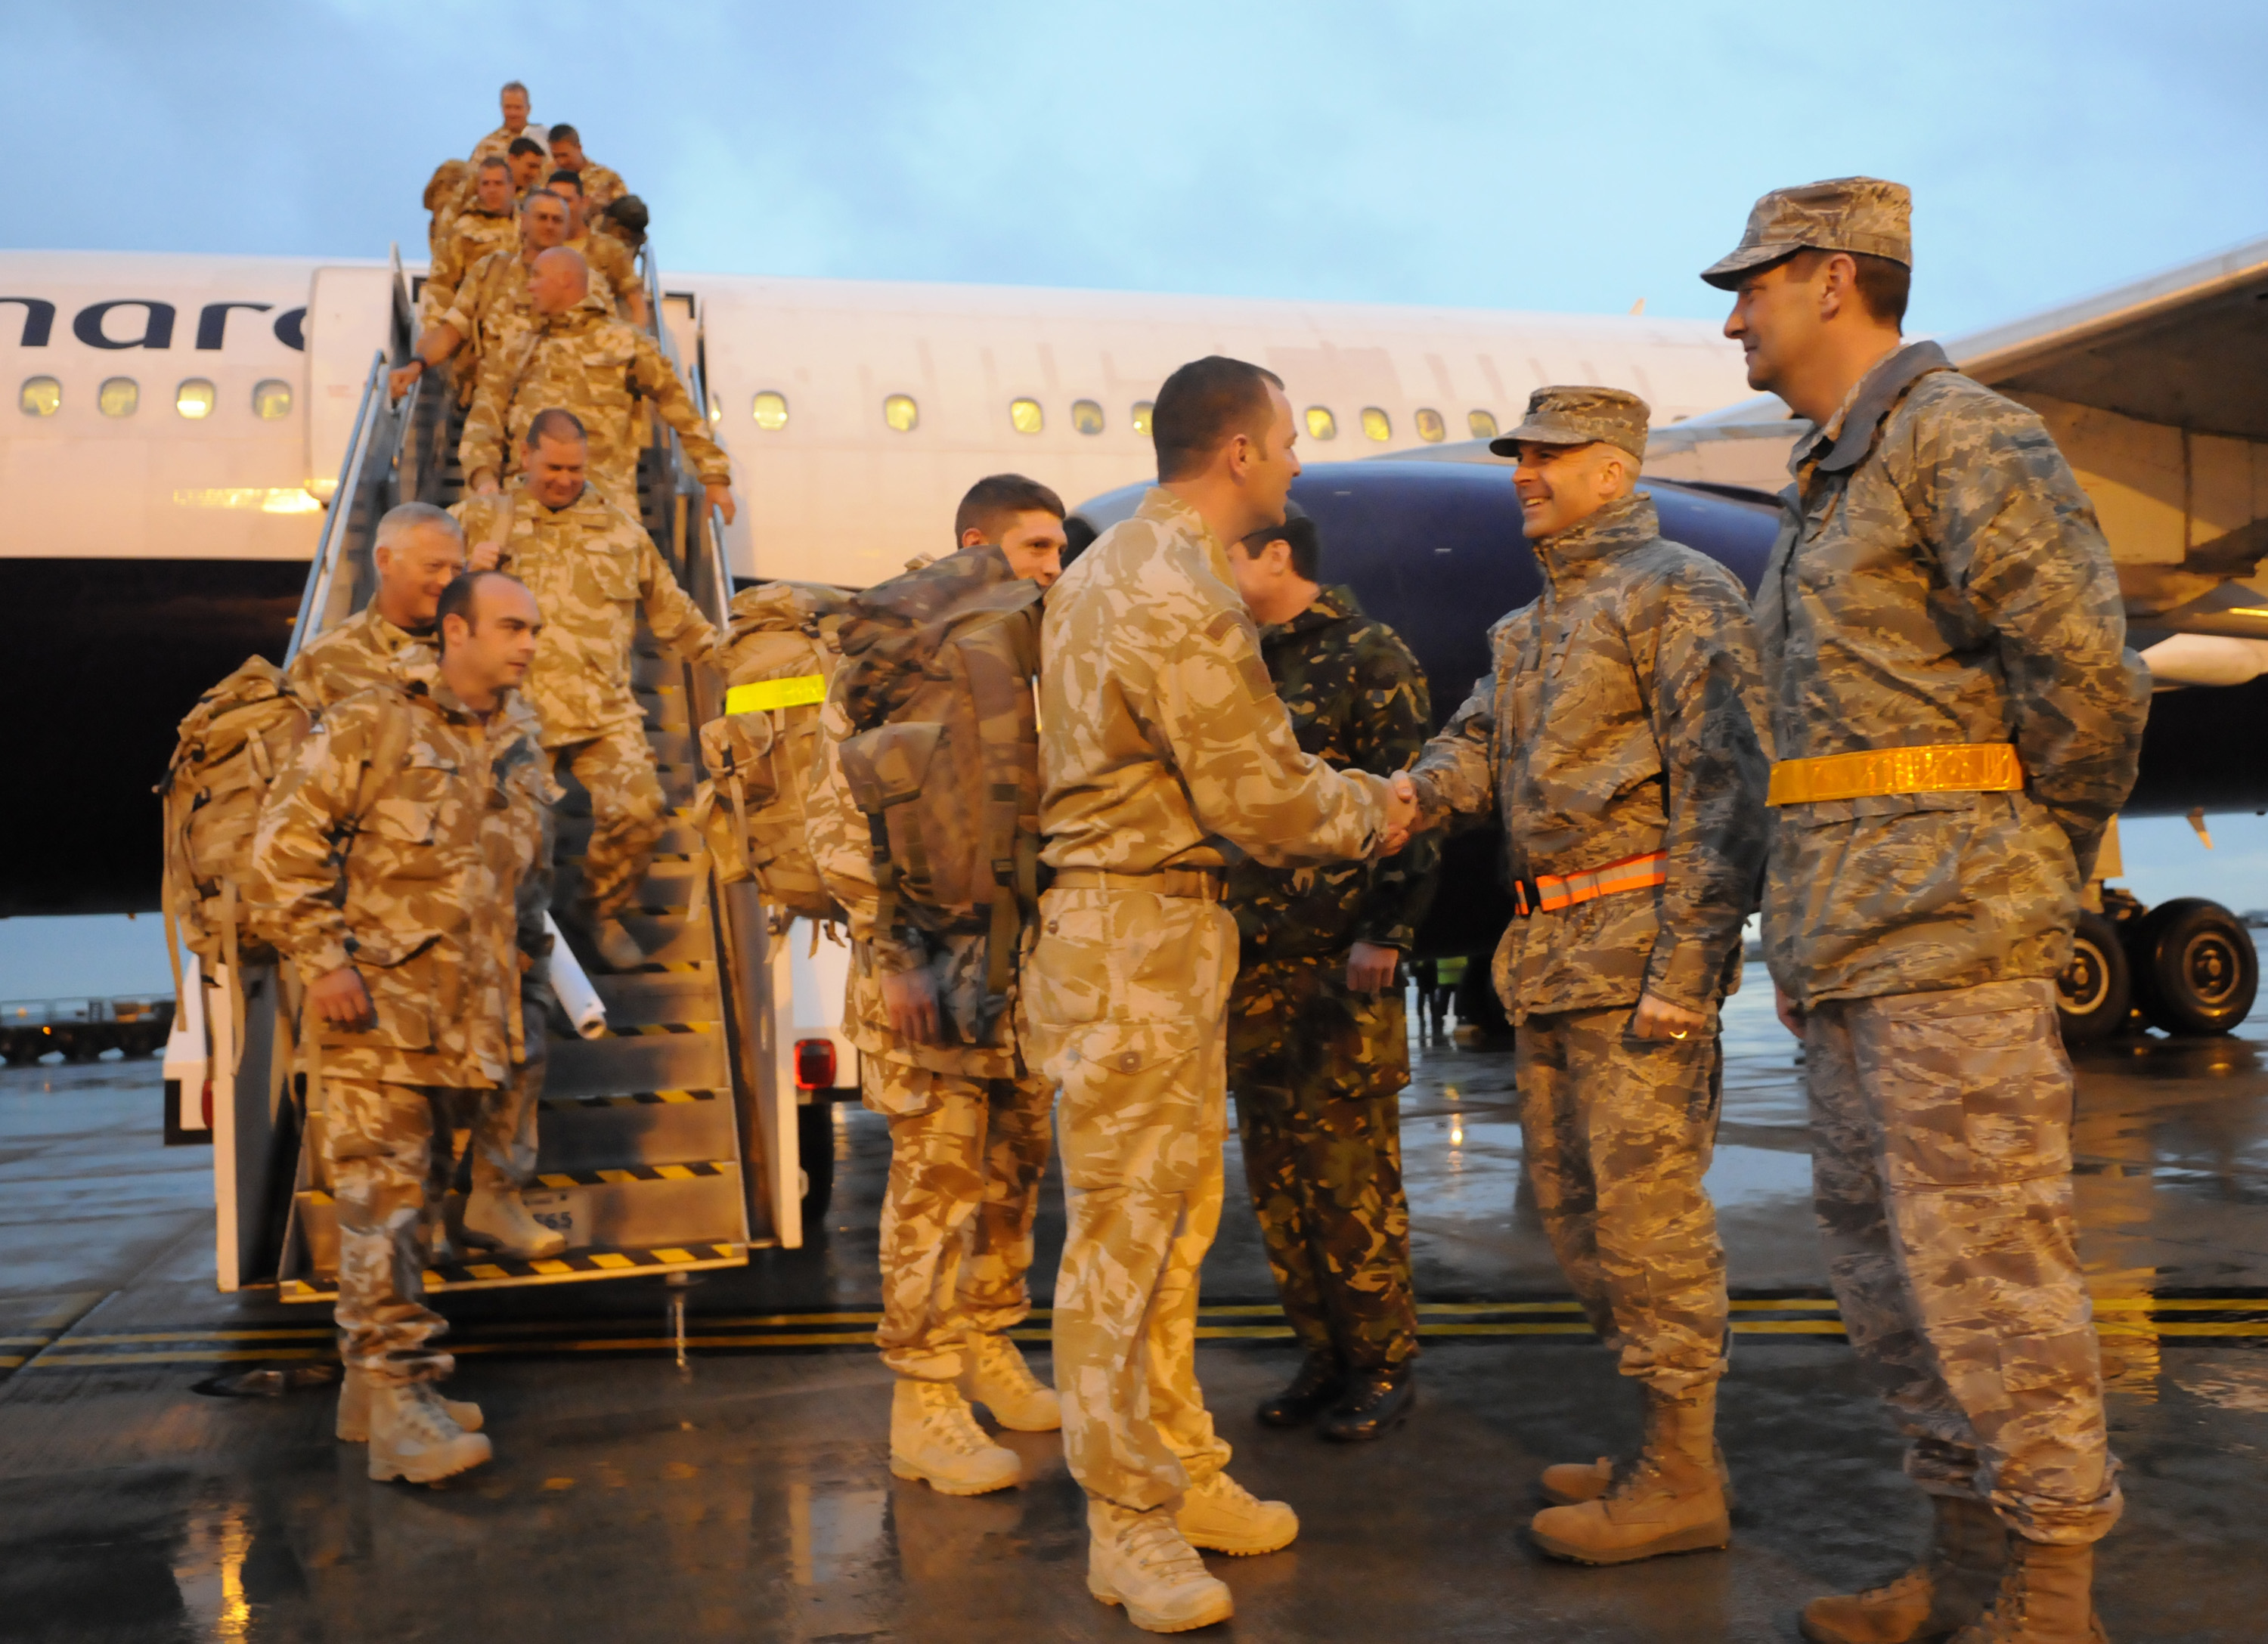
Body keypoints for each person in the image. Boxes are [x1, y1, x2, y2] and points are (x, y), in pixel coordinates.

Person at [1699, 178, 2149, 1642]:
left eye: (1754, 285)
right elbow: (1813, 742)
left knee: (1996, 1283)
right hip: (1846, 951)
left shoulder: (1963, 436)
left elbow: (2088, 681)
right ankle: (1962, 1568)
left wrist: (2027, 863)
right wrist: (1799, 925)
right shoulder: (1827, 475)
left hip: (1954, 942)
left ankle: (2054, 1594)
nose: (1734, 317)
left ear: (1834, 278)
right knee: (1894, 1290)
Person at [1027, 354, 1414, 1634]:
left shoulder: (1102, 571)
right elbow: (1262, 797)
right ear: (1239, 451)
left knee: (1173, 1227)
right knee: (1123, 1245)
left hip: (1144, 931)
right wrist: (1380, 805)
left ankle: (1180, 1462)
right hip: (1137, 935)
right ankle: (1126, 1520)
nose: (1297, 461)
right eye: (1287, 439)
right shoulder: (1176, 589)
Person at [1396, 385, 1770, 1566]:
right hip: (1551, 962)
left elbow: (1729, 781)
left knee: (1652, 1229)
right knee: (1579, 1222)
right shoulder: (1530, 626)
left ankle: (1682, 1476)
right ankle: (1663, 1446)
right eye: (1519, 454)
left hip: (1636, 958)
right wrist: (1394, 798)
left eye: (1549, 455)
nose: (1524, 472)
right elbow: (1470, 753)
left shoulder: (1681, 592)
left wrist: (1691, 966)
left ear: (1615, 470)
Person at [248, 569, 550, 1485]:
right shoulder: (373, 721)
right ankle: (402, 1412)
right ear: (456, 631)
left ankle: (369, 1392)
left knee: (410, 1219)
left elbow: (523, 879)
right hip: (379, 1020)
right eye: (512, 627)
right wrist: (325, 960)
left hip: (468, 1023)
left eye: (534, 630)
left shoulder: (519, 739)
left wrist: (526, 968)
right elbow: (280, 853)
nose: (530, 644)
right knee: (384, 1218)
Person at [803, 474, 1070, 1498]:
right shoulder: (897, 650)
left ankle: (987, 1340)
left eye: (1059, 550)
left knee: (1015, 1167)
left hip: (1018, 970)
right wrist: (896, 956)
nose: (1053, 567)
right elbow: (840, 821)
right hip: (917, 970)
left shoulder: (1025, 653)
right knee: (935, 1180)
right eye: (1037, 547)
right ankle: (922, 1398)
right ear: (975, 542)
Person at [1219, 504, 1438, 1442]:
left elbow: (1412, 801)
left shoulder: (1368, 656)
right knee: (1276, 1179)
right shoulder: (1235, 664)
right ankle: (1321, 1351)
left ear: (1276, 557)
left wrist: (1387, 929)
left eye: (1223, 555)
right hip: (1249, 961)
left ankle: (1382, 1362)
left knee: (1349, 1177)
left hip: (1337, 961)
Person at [453, 409, 717, 971]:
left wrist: (741, 661)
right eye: (553, 468)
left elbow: (676, 616)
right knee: (518, 836)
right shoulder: (479, 520)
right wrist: (463, 573)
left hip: (604, 712)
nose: (565, 480)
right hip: (513, 714)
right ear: (525, 457)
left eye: (575, 469)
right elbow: (421, 599)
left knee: (641, 808)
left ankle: (597, 911)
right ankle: (520, 941)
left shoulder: (621, 530)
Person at [460, 248, 735, 525]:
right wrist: (483, 478)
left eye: (537, 276)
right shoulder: (517, 348)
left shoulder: (624, 342)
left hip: (604, 519)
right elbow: (484, 419)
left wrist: (714, 476)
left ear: (565, 279)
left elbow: (678, 406)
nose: (529, 285)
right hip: (528, 517)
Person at [391, 187, 572, 403]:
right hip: (489, 406)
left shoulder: (584, 282)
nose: (550, 226)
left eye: (557, 220)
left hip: (554, 406)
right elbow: (454, 327)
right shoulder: (491, 271)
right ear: (523, 222)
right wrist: (417, 365)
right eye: (542, 218)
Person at [285, 502, 462, 707]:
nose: (447, 580)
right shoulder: (324, 658)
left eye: (457, 569)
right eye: (433, 566)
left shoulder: (475, 647)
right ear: (385, 560)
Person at [420, 159, 520, 336]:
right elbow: (441, 286)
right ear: (478, 188)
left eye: (498, 183)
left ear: (512, 188)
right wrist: (432, 333)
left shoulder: (530, 224)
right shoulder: (463, 231)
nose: (492, 189)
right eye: (486, 184)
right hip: (477, 333)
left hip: (522, 332)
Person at [544, 168, 648, 326]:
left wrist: (632, 338)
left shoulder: (610, 249)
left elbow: (637, 305)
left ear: (584, 202)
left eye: (567, 200)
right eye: (553, 200)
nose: (559, 207)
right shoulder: (537, 248)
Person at [544, 123, 627, 215]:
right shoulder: (547, 175)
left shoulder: (608, 179)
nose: (561, 162)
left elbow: (625, 214)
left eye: (564, 155)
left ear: (579, 148)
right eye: (556, 156)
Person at [470, 81, 546, 171]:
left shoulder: (544, 140)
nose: (513, 113)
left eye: (518, 107)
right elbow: (473, 176)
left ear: (529, 109)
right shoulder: (486, 145)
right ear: (501, 108)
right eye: (508, 107)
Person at [506, 135, 549, 203]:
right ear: (512, 160)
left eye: (538, 168)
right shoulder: (490, 189)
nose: (535, 173)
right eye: (531, 166)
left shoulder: (537, 197)